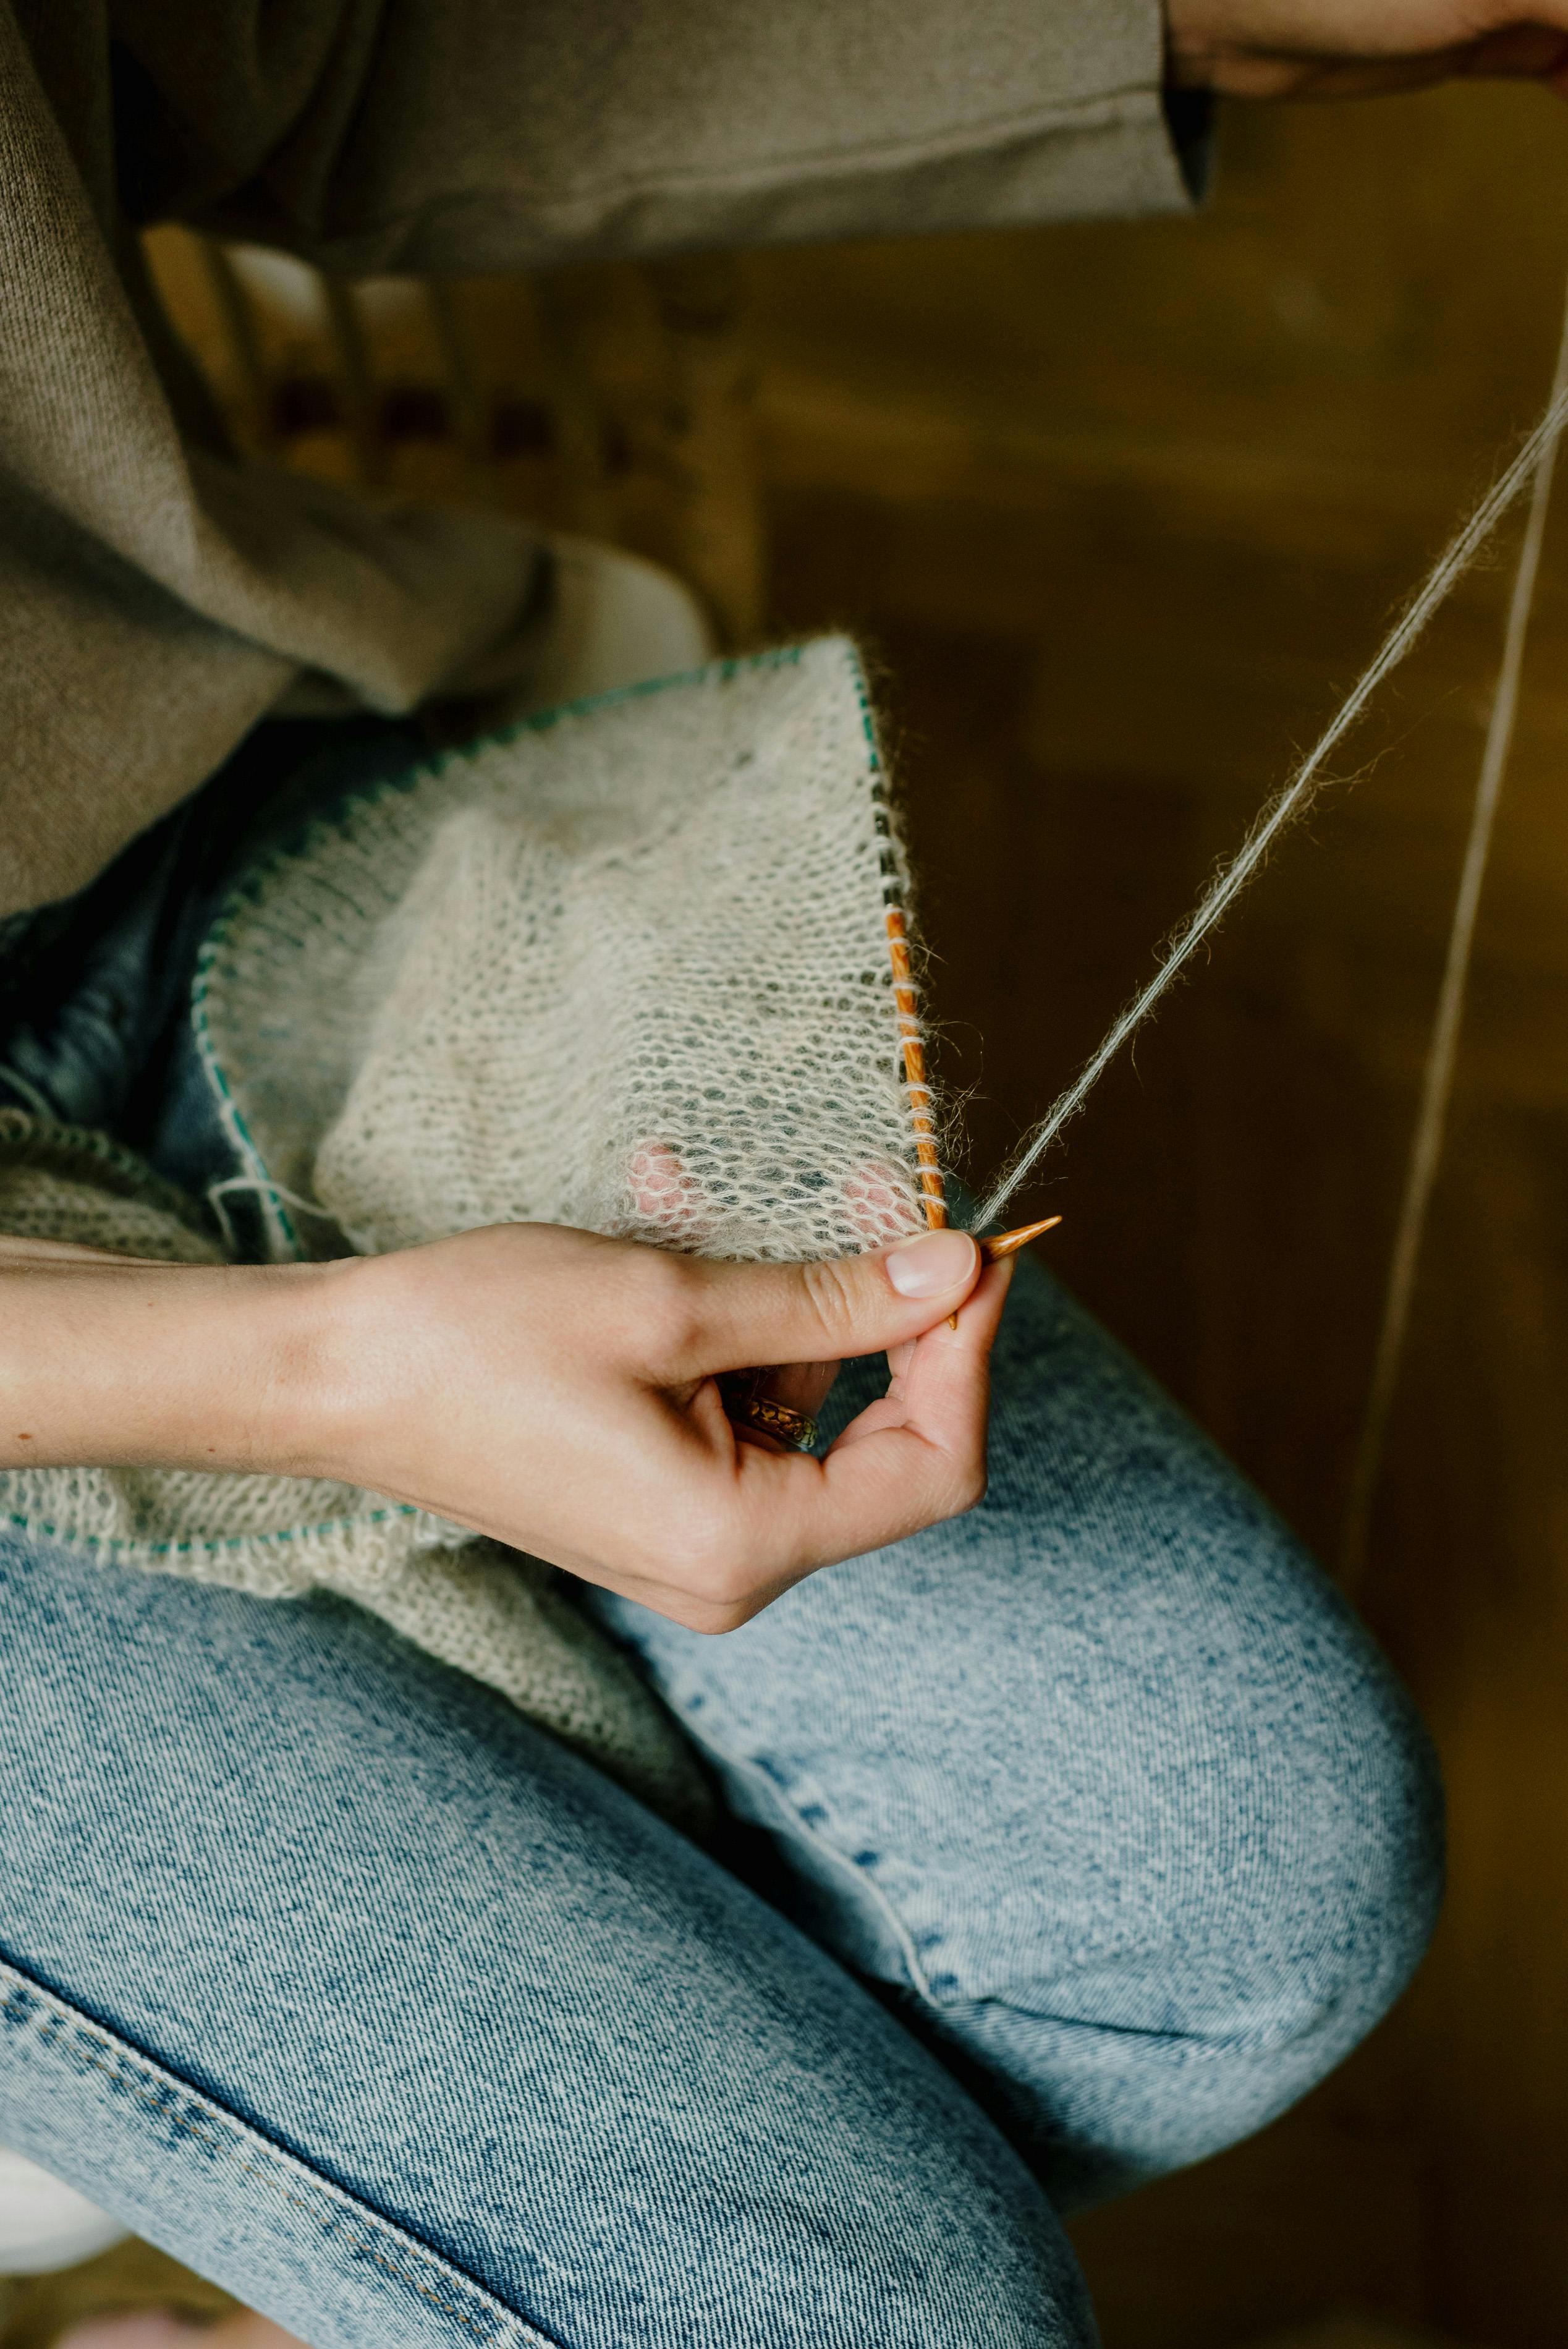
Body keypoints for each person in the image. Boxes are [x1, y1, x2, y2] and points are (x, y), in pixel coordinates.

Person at [2, 2, 1560, 2342]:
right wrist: (302, 1370)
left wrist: (1151, 8)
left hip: (165, 852)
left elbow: (225, 56)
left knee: (1227, 1906)